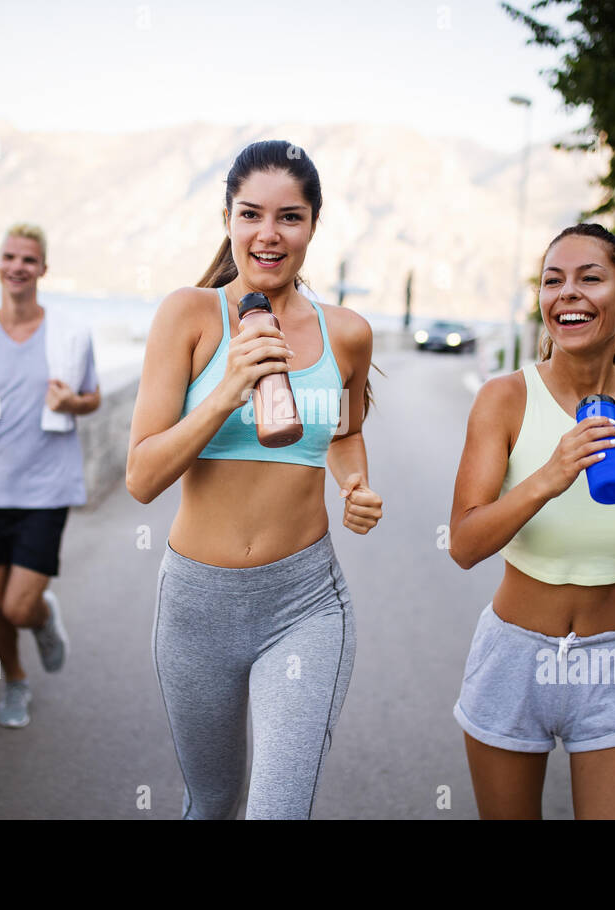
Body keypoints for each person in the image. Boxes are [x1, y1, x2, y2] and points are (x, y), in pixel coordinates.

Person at [126, 140, 382, 819]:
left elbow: (346, 430)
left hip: (304, 605)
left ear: (313, 226)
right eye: (251, 215)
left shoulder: (349, 334)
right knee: (210, 803)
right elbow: (142, 477)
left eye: (289, 217)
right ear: (228, 220)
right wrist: (227, 390)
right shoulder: (188, 315)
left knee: (276, 811)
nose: (269, 234)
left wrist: (353, 484)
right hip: (196, 606)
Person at [447, 223, 615, 819]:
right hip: (513, 659)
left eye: (590, 278)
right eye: (552, 281)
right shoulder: (505, 399)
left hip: (613, 661)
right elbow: (463, 543)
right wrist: (548, 475)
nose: (567, 292)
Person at [0, 223, 101, 728]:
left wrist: (72, 402)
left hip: (46, 489)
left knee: (17, 606)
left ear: (43, 269)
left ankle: (43, 617)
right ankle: (14, 681)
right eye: (9, 256)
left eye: (28, 260)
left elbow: (92, 396)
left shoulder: (69, 335)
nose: (17, 266)